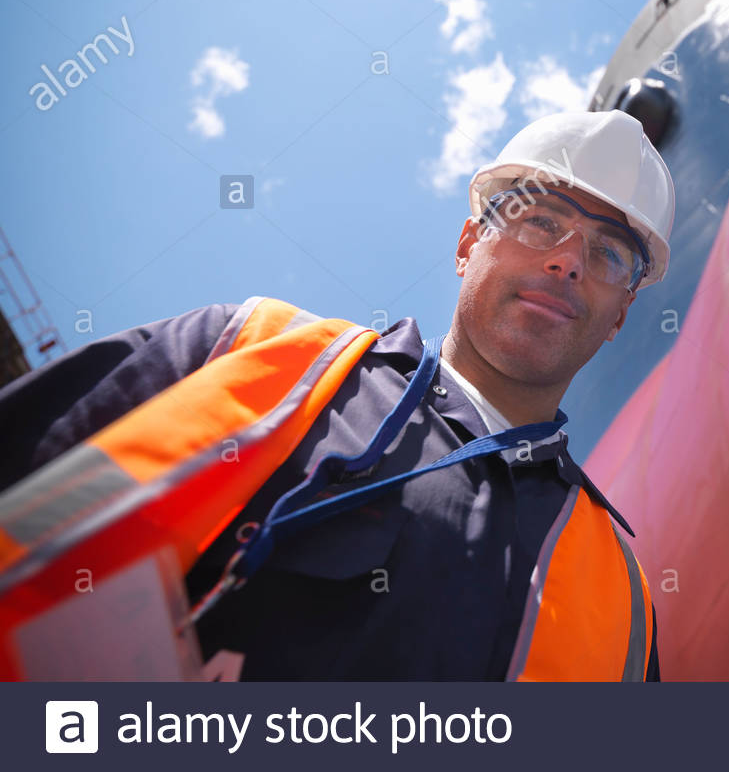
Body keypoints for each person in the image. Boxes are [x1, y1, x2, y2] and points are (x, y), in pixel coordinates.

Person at [0, 109, 674, 682]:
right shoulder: (246, 351)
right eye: (539, 219)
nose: (568, 260)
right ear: (469, 243)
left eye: (610, 253)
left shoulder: (625, 600)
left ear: (619, 316)